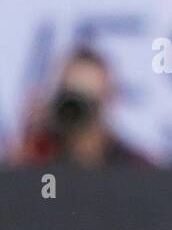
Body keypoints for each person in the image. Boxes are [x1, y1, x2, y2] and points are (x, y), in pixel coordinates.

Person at [13, 47, 151, 167]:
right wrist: (30, 138)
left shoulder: (135, 166)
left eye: (91, 101)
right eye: (73, 100)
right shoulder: (37, 156)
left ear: (109, 101)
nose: (80, 111)